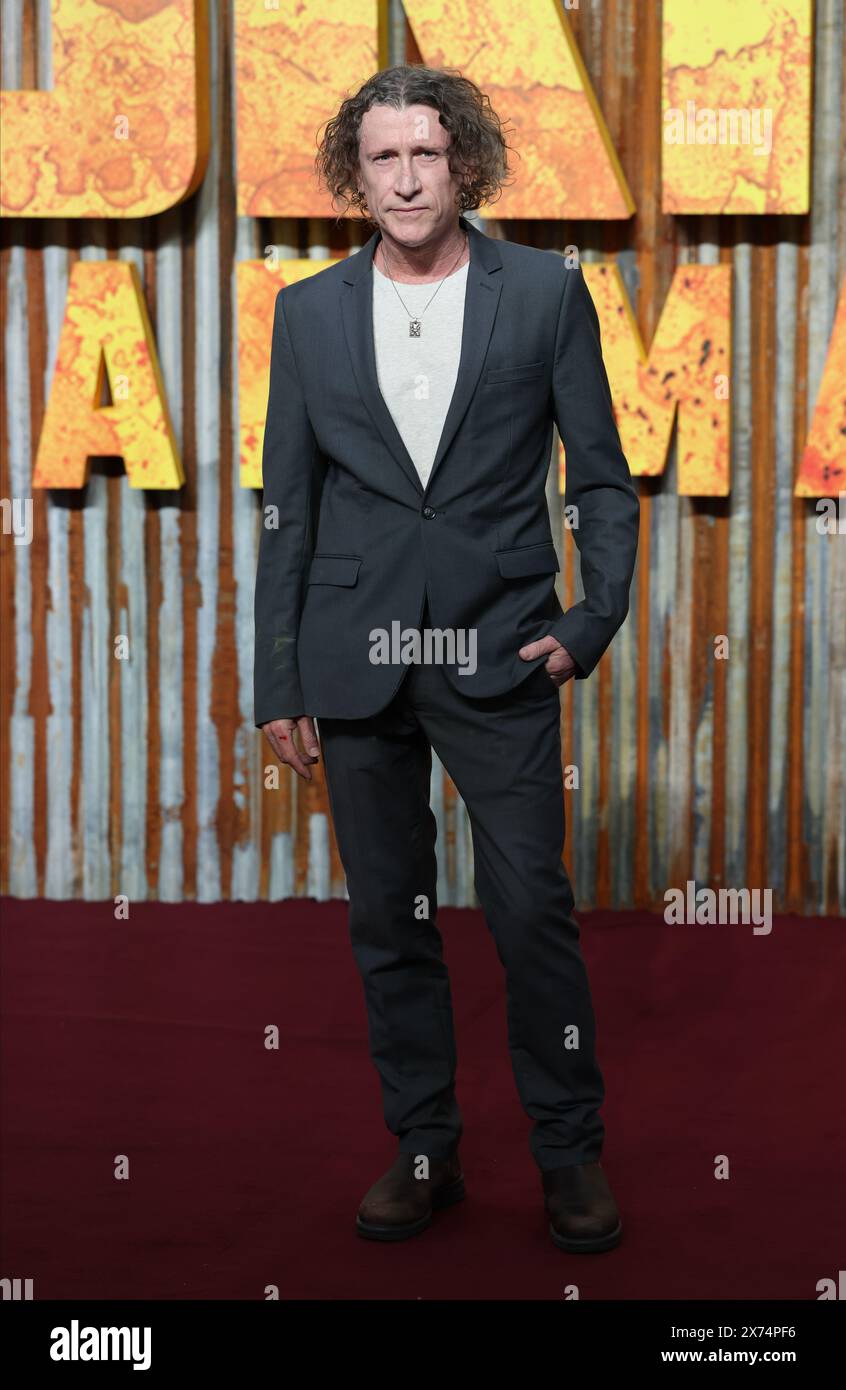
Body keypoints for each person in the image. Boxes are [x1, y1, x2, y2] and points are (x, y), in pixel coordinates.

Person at [253, 65, 639, 1252]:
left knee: (530, 911)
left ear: (462, 162)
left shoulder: (542, 294)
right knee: (390, 920)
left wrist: (586, 626)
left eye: (427, 155)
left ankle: (569, 1154)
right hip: (353, 657)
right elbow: (289, 506)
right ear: (354, 174)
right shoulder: (308, 311)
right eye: (384, 159)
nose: (408, 178)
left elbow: (605, 482)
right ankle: (425, 1150)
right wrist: (278, 678)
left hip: (502, 652)